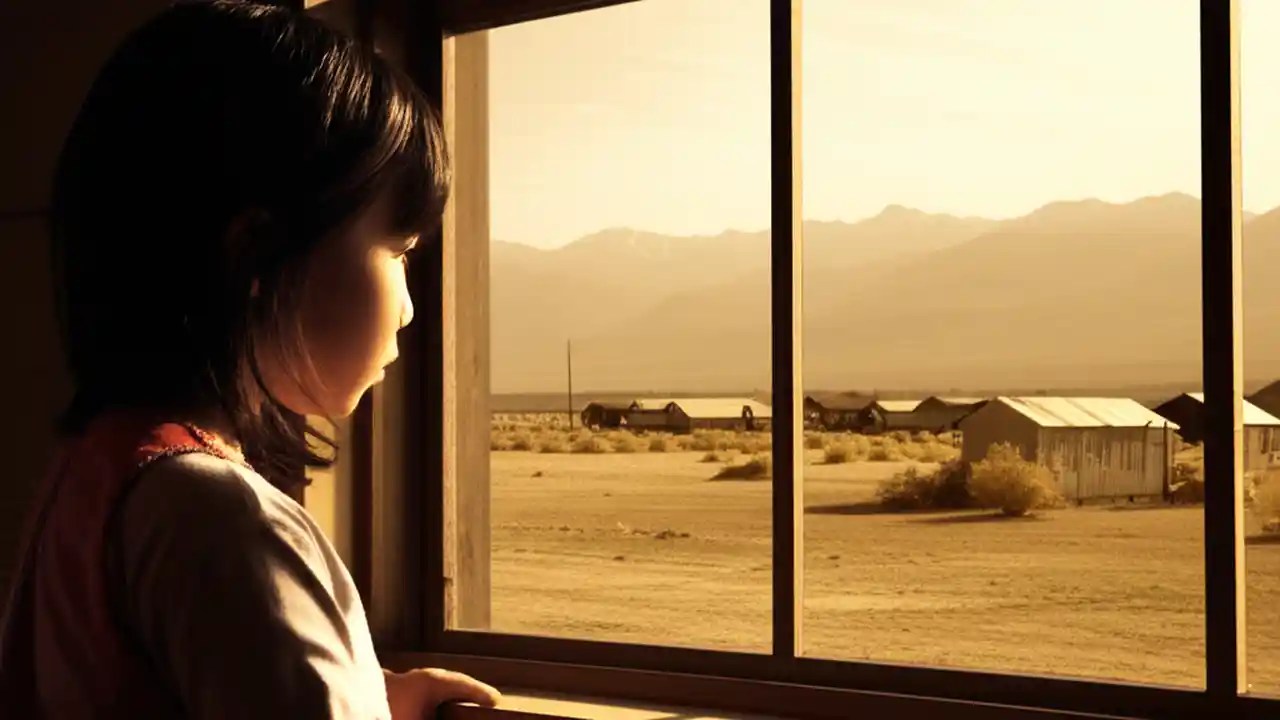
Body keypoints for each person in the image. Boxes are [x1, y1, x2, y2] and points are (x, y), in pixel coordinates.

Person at [0, 2, 500, 717]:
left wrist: (371, 693)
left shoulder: (95, 474)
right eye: (398, 252)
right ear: (256, 256)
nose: (410, 308)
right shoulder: (221, 521)